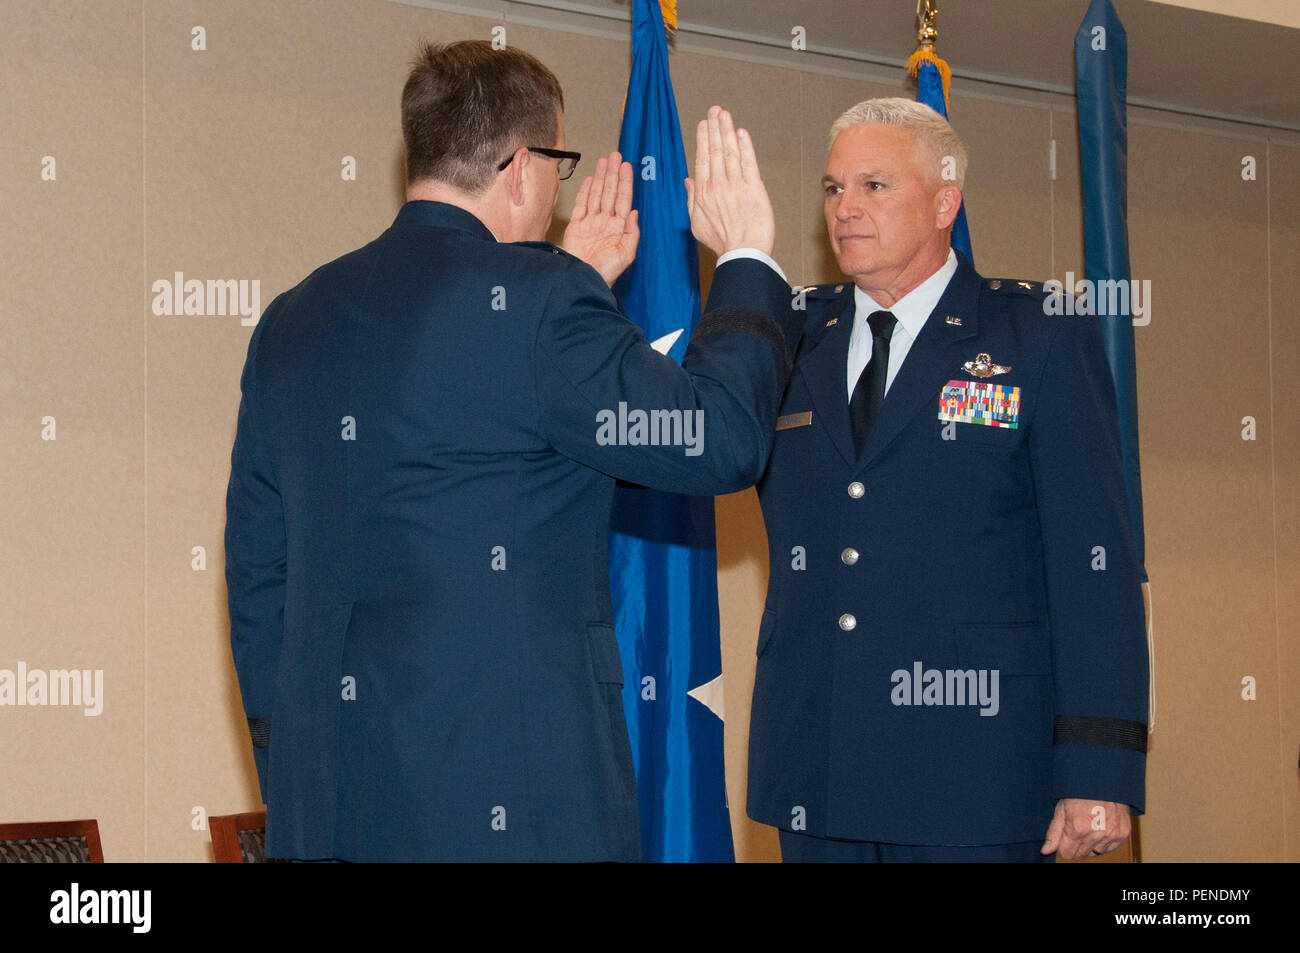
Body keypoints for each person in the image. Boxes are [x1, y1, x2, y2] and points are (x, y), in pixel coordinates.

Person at [224, 40, 789, 861]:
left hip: (328, 807)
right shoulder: (540, 304)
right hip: (512, 807)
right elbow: (721, 437)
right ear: (522, 167)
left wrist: (292, 764)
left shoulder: (294, 318)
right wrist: (745, 258)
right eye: (557, 166)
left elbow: (257, 567)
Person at [743, 98, 1149, 862]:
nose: (846, 209)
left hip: (978, 775)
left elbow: (1094, 566)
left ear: (944, 203)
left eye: (874, 186)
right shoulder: (791, 333)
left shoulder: (1038, 334)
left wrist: (1101, 764)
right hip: (819, 766)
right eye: (833, 189)